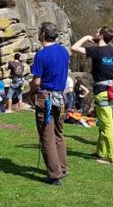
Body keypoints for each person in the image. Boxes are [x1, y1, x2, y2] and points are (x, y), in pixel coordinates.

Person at [72, 27, 113, 164]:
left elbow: (74, 47)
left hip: (101, 91)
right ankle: (101, 151)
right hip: (110, 90)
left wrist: (86, 37)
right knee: (102, 123)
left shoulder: (97, 51)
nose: (95, 34)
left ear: (101, 36)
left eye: (97, 32)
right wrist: (109, 71)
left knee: (107, 125)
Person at [30, 22, 70, 185]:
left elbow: (37, 81)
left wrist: (30, 92)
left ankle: (54, 175)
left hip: (46, 97)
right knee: (58, 134)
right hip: (61, 98)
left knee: (47, 137)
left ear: (43, 34)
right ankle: (62, 167)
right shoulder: (63, 51)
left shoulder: (41, 55)